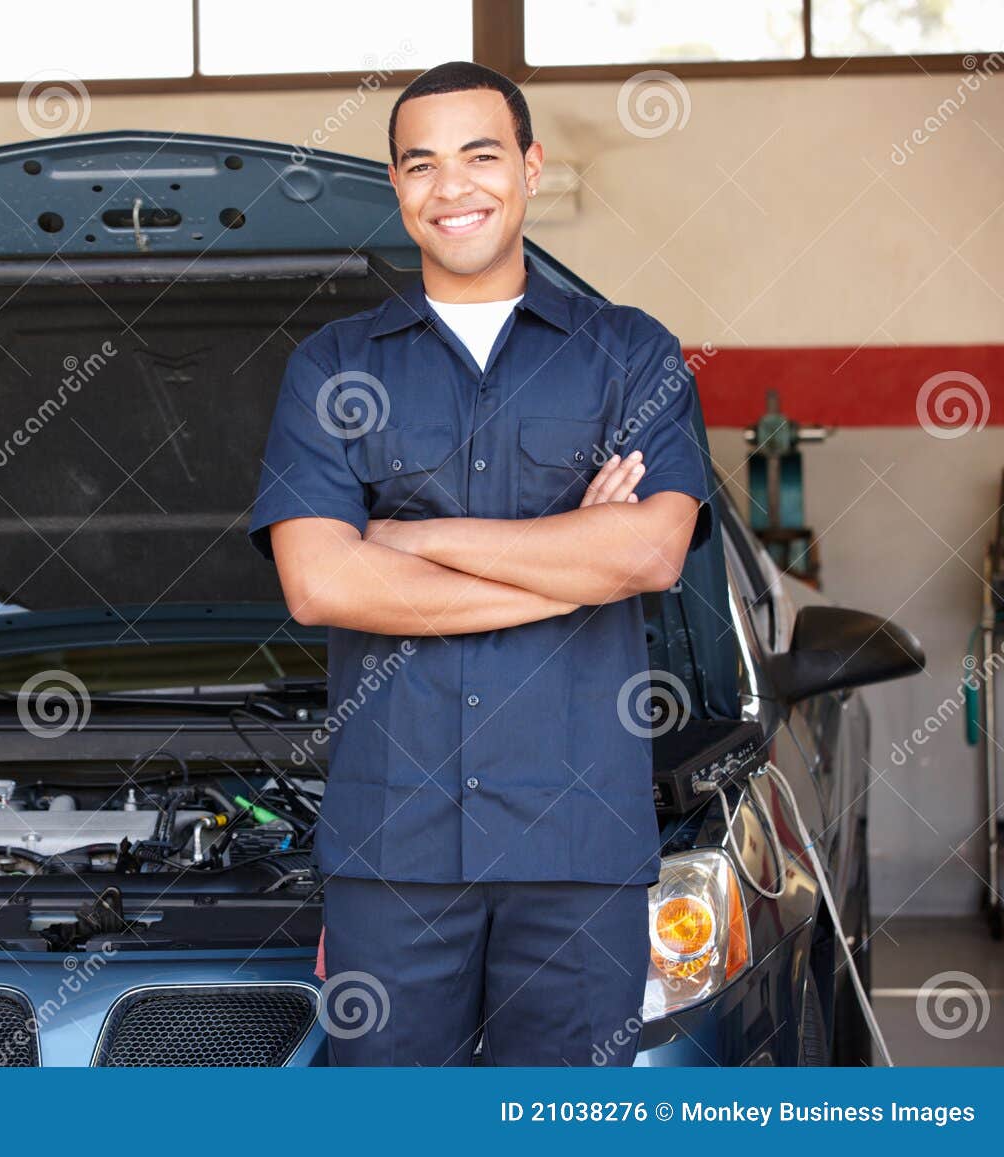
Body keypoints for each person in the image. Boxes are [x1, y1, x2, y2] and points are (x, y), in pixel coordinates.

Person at [246, 60, 713, 1066]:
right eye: (421, 164)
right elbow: (320, 582)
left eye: (479, 156)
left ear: (532, 168)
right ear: (398, 187)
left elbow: (650, 548)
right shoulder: (333, 366)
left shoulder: (631, 354)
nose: (451, 187)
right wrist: (568, 562)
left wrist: (407, 539)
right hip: (393, 852)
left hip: (579, 847)